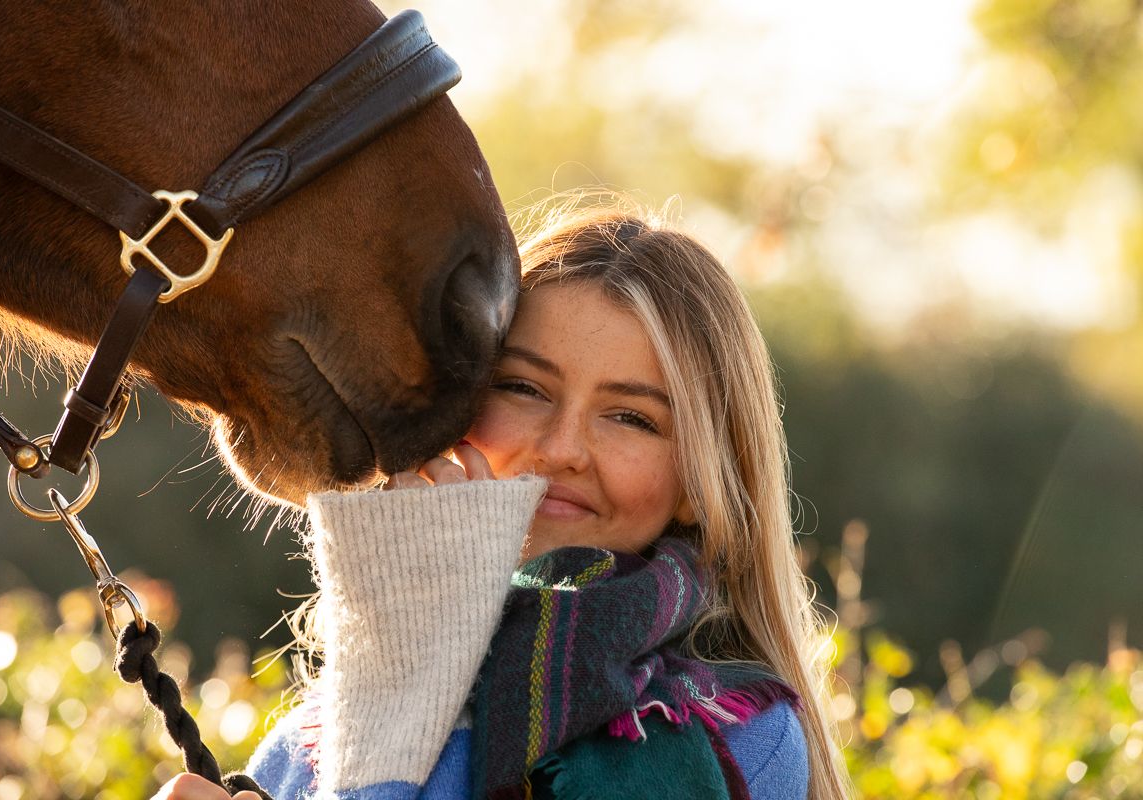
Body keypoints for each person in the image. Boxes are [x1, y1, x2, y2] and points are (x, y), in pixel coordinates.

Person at [150, 200, 852, 799]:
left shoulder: (742, 739)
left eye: (631, 417)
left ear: (701, 486)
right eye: (524, 388)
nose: (562, 448)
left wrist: (398, 692)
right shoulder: (313, 734)